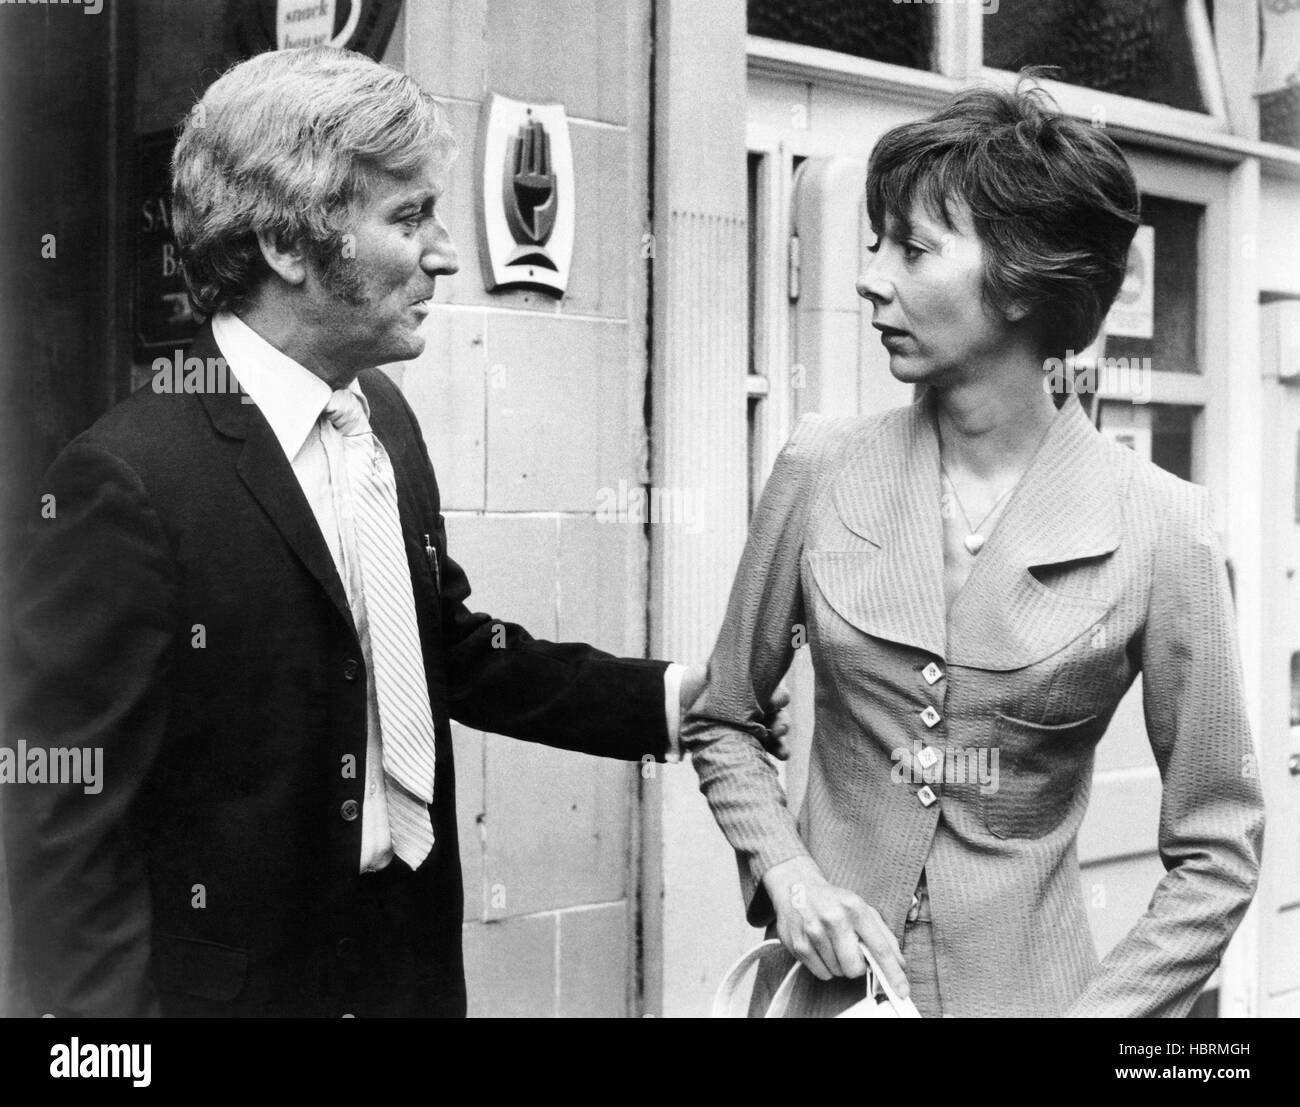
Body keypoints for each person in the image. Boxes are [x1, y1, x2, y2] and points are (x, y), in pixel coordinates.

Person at [2, 45, 786, 1018]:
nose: (444, 253)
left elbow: (442, 651)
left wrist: (677, 698)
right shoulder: (127, 483)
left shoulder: (383, 418)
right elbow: (57, 838)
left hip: (406, 974)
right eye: (408, 216)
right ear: (290, 246)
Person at [683, 81, 1265, 1018]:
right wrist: (786, 873)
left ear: (1025, 279)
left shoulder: (1166, 527)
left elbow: (1217, 850)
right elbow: (725, 718)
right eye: (879, 244)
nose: (872, 276)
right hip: (830, 1004)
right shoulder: (819, 465)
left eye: (912, 249)